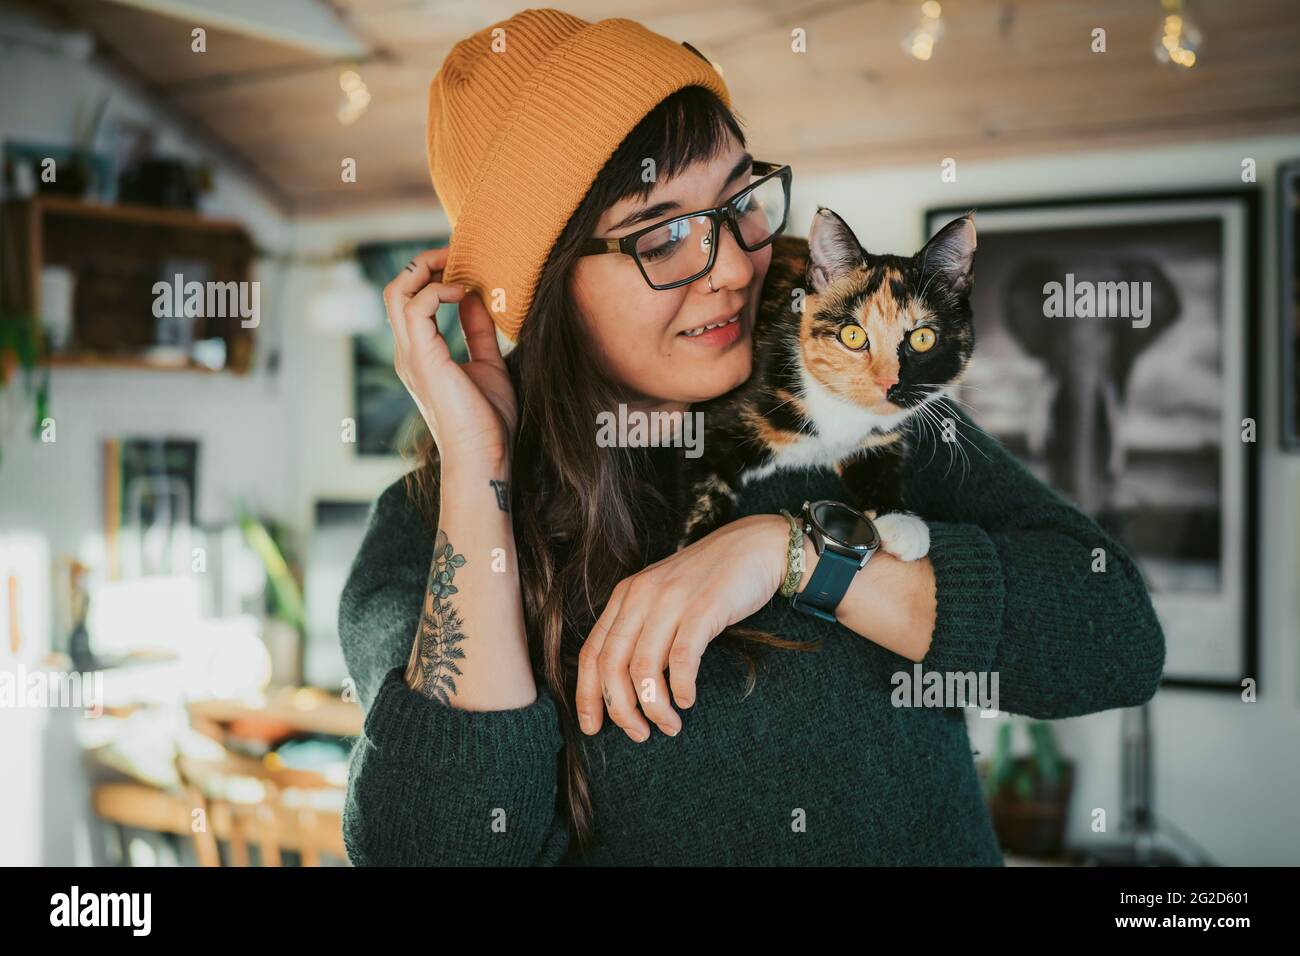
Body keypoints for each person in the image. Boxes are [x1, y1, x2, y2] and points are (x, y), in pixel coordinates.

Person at [339, 8, 1165, 866]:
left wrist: (798, 554)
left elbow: (1115, 637)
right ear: (544, 286)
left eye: (740, 202)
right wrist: (480, 472)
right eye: (662, 234)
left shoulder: (850, 396)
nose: (734, 266)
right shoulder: (427, 530)